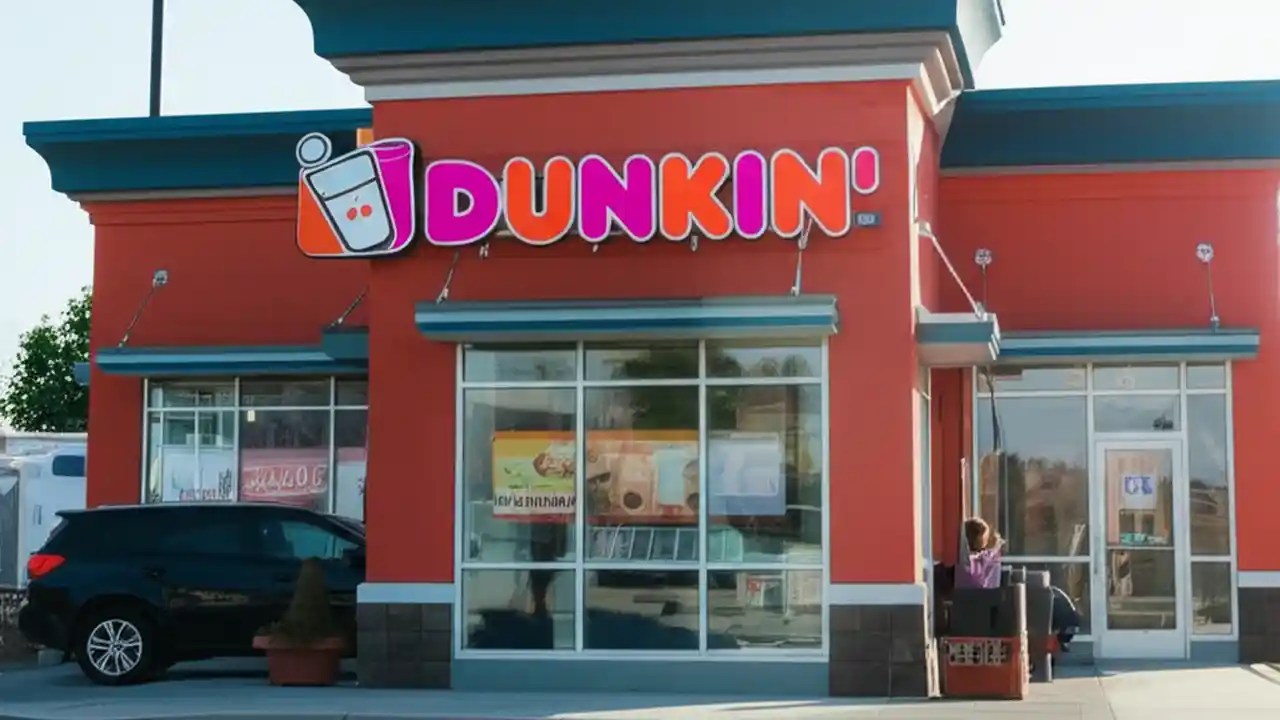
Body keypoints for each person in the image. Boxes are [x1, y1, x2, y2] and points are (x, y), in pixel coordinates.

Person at [956, 516, 1004, 589]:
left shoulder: (975, 557)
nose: (986, 542)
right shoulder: (965, 559)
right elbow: (977, 583)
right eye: (985, 537)